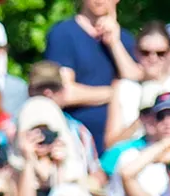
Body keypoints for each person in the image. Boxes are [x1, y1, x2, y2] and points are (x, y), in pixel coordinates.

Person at [43, 0, 141, 144]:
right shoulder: (63, 34)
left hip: (121, 145)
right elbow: (64, 92)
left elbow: (136, 81)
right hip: (75, 140)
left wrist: (114, 44)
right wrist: (114, 94)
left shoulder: (126, 40)